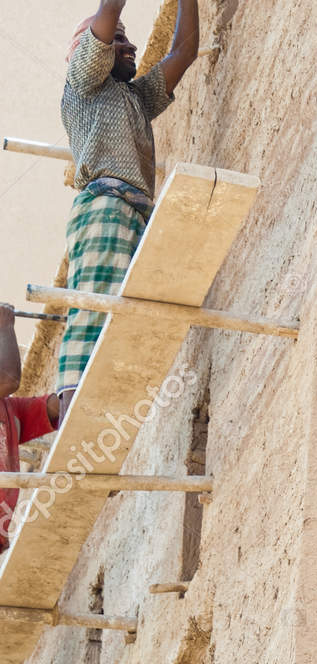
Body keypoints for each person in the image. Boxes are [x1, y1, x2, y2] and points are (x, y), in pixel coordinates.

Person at [57, 0, 200, 394]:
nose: (131, 45)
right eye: (119, 40)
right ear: (90, 52)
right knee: (92, 320)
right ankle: (70, 403)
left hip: (134, 213)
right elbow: (109, 8)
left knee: (124, 323)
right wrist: (111, 22)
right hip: (105, 206)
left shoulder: (134, 98)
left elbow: (183, 53)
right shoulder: (83, 84)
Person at [0, 305, 72, 551]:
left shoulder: (7, 411)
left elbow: (50, 409)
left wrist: (74, 391)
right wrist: (5, 325)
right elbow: (10, 379)